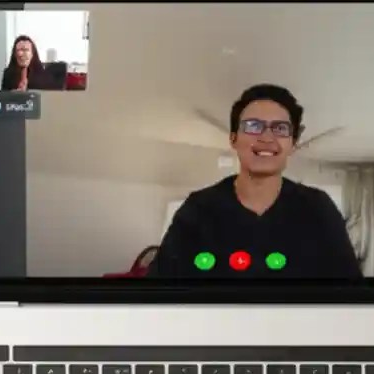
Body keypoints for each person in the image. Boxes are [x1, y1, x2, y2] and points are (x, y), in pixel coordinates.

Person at [147, 84, 362, 279]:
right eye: (253, 126)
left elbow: (351, 295)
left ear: (293, 143)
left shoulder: (318, 208)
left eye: (280, 128)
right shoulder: (198, 209)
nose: (267, 138)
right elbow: (159, 291)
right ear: (233, 138)